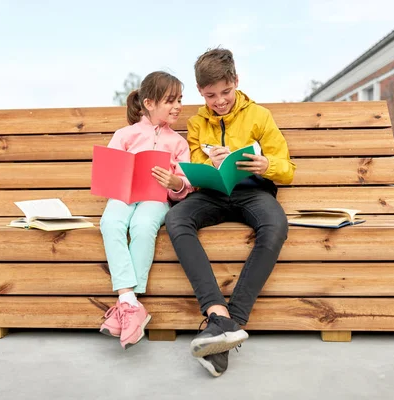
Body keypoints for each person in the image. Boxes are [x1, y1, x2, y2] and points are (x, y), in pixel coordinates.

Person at [165, 48, 296, 376]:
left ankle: (224, 322)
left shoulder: (260, 116)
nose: (220, 101)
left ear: (236, 81)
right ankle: (217, 312)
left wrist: (266, 165)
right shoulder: (196, 123)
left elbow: (287, 169)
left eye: (225, 92)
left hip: (252, 192)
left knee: (276, 224)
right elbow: (194, 163)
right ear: (200, 92)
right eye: (211, 95)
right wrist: (210, 163)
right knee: (176, 218)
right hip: (211, 193)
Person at [99, 71, 193, 349]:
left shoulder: (178, 142)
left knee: (142, 226)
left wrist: (176, 183)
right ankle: (129, 301)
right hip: (123, 196)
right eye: (170, 100)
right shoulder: (124, 135)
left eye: (180, 100)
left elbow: (186, 186)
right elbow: (108, 174)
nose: (177, 106)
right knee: (111, 223)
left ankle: (126, 303)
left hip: (156, 199)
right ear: (149, 103)